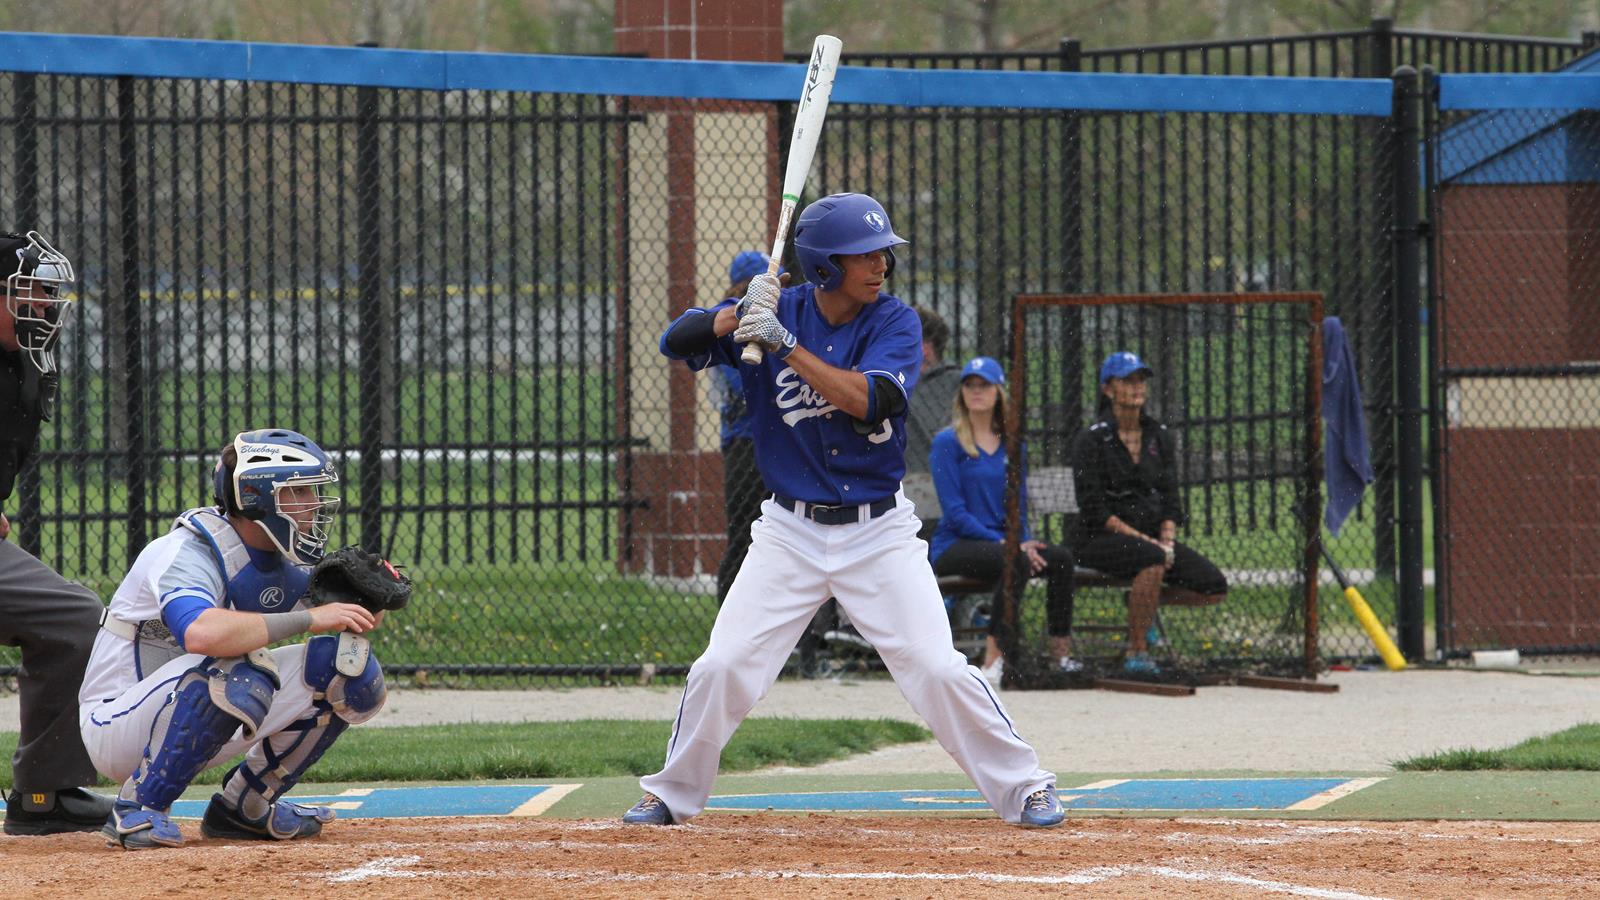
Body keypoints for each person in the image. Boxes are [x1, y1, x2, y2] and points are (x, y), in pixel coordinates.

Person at [628, 192, 1063, 829]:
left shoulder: (896, 322)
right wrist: (734, 316)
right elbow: (675, 341)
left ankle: (1025, 786)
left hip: (878, 532)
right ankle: (670, 793)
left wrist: (784, 347)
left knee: (937, 668)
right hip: (788, 532)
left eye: (883, 251)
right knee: (722, 665)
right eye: (863, 254)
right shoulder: (776, 308)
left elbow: (874, 401)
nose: (881, 263)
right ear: (825, 264)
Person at [78, 429, 389, 849]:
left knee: (346, 667)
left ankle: (245, 806)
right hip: (116, 723)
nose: (313, 503)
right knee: (237, 667)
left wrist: (368, 603)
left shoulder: (276, 557)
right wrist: (312, 617)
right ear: (255, 496)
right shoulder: (184, 552)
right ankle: (139, 808)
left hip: (195, 699)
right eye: (297, 492)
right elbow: (201, 633)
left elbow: (335, 621)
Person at [0, 230, 117, 835]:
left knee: (70, 618)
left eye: (47, 294)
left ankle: (44, 794)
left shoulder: (20, 361)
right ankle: (42, 793)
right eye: (30, 293)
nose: (43, 306)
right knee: (75, 614)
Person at [1071, 352, 1229, 676]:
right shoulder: (1092, 439)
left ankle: (1142, 602)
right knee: (1151, 558)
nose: (1137, 387)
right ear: (1108, 389)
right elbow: (1094, 509)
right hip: (1100, 538)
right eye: (1127, 380)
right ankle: (1137, 651)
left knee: (1214, 586)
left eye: (1141, 380)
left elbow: (1171, 496)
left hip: (1154, 541)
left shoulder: (1159, 435)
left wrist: (1167, 538)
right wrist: (1151, 544)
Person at [928, 356, 1080, 688]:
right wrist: (1009, 545)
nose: (976, 391)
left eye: (984, 385)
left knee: (1062, 560)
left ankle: (1060, 655)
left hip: (1006, 544)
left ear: (998, 392)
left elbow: (1018, 506)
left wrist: (1022, 539)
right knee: (1015, 560)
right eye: (970, 385)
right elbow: (955, 514)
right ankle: (993, 660)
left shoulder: (1014, 445)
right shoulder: (947, 443)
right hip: (957, 544)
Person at [711, 251, 768, 606]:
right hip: (746, 441)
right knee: (746, 533)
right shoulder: (732, 315)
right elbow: (744, 383)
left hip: (768, 439)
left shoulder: (768, 313)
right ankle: (729, 615)